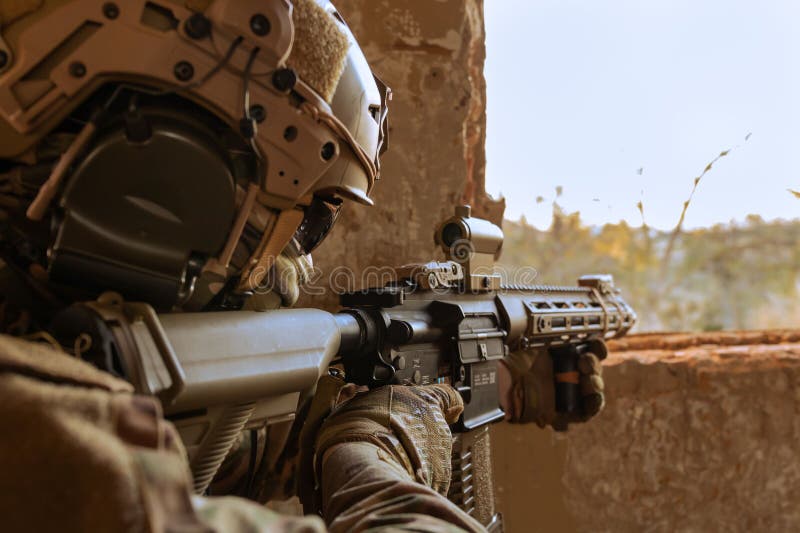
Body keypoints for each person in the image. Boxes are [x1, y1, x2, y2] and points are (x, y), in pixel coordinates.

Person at [0, 1, 605, 531]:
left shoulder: (47, 340)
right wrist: (378, 454)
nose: (299, 257)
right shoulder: (42, 433)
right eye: (307, 217)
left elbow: (241, 445)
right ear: (175, 189)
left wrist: (500, 385)